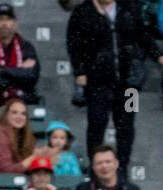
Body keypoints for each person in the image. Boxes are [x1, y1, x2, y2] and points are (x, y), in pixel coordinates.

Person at [66, 0, 155, 171]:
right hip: (98, 82)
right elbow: (74, 45)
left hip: (130, 84)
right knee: (97, 124)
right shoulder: (82, 12)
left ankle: (123, 168)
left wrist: (158, 55)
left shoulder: (129, 6)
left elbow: (143, 34)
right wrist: (80, 71)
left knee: (128, 125)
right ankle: (96, 168)